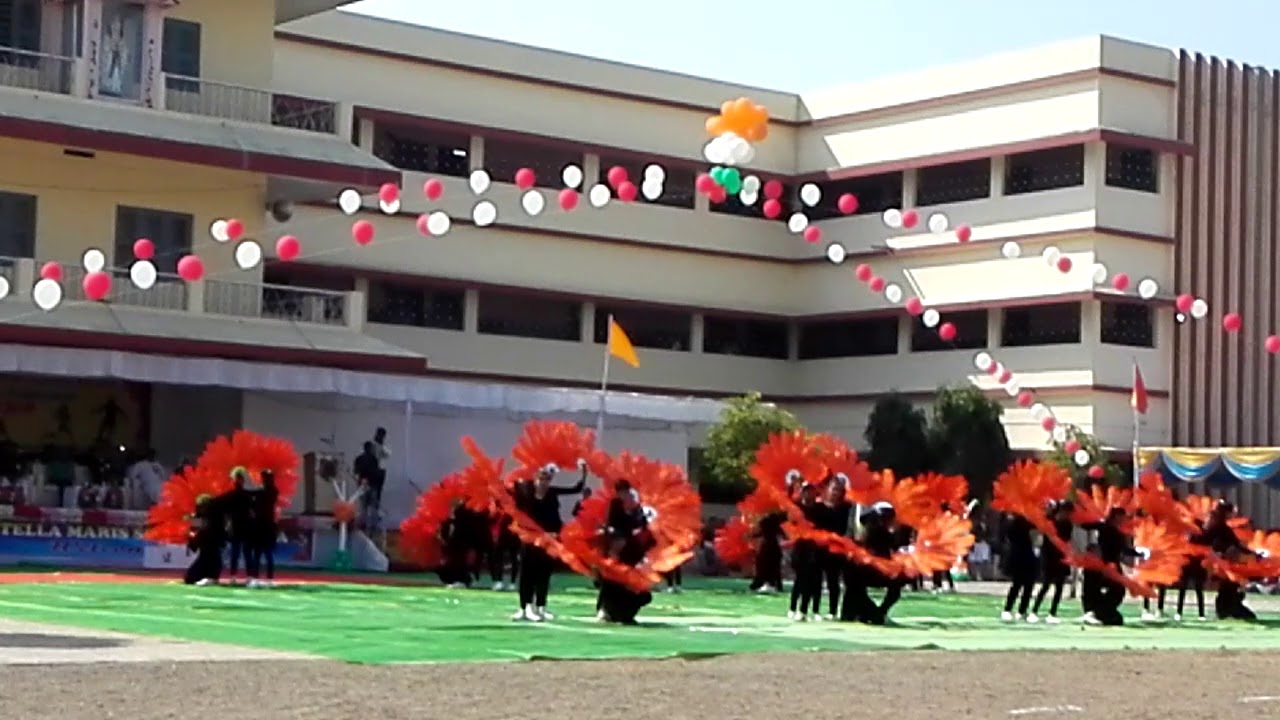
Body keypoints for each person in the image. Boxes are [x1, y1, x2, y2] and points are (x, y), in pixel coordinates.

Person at [512, 461, 587, 622]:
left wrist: (584, 472)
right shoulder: (526, 492)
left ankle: (541, 607)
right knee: (526, 575)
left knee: (543, 574)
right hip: (529, 540)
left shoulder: (552, 493)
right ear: (535, 478)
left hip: (549, 539)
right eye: (541, 478)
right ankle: (524, 607)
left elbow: (576, 488)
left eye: (547, 479)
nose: (544, 482)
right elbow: (509, 490)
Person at [597, 482, 656, 624]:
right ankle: (605, 610)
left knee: (633, 588)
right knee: (611, 581)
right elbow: (613, 525)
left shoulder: (637, 508)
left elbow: (643, 529)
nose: (625, 495)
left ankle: (625, 613)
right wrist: (615, 543)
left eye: (626, 492)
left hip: (630, 551)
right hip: (617, 547)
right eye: (622, 492)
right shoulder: (615, 505)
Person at [840, 502, 905, 625]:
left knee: (897, 583)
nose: (885, 521)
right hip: (862, 572)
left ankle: (876, 613)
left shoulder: (888, 535)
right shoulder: (869, 534)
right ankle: (871, 613)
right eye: (883, 518)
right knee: (854, 584)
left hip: (878, 571)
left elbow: (893, 552)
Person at [1082, 507, 1136, 626]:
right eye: (1122, 516)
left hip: (1111, 565)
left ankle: (1102, 610)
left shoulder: (1116, 531)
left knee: (1118, 590)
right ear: (1116, 516)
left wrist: (1139, 553)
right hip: (1101, 564)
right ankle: (1092, 612)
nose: (1124, 519)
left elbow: (1124, 549)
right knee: (1096, 587)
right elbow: (1085, 525)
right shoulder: (1104, 527)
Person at [1203, 502, 1257, 621]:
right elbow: (1221, 544)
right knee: (1231, 583)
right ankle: (1228, 607)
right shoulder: (1219, 528)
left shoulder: (1217, 527)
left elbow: (1234, 544)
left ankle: (1226, 607)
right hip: (1220, 562)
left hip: (1223, 561)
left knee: (1230, 585)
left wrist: (1249, 552)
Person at [1029, 500, 1073, 624]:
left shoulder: (1068, 524)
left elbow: (1066, 540)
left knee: (1059, 587)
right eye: (1065, 511)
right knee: (1046, 585)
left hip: (1061, 556)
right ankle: (1034, 611)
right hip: (1049, 556)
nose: (1067, 514)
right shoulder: (1050, 521)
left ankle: (1052, 613)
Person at [788, 483, 824, 621]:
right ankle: (792, 607)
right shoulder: (797, 507)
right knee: (799, 580)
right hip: (799, 546)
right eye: (806, 491)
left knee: (811, 581)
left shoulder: (819, 509)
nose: (809, 494)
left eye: (811, 491)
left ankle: (804, 610)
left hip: (813, 547)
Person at [818, 477, 852, 618]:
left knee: (834, 581)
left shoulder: (846, 508)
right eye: (833, 489)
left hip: (838, 548)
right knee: (815, 580)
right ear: (827, 490)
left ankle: (833, 610)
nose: (835, 492)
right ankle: (814, 609)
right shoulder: (819, 507)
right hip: (820, 547)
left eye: (838, 490)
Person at [1001, 514, 1038, 622]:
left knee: (1027, 584)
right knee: (1018, 584)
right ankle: (1008, 609)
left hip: (1026, 554)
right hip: (1019, 555)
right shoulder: (1015, 521)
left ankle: (1020, 610)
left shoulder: (1025, 520)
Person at [184, 495, 227, 586]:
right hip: (205, 544)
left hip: (212, 543)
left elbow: (218, 529)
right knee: (190, 577)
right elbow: (193, 530)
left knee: (212, 558)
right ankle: (208, 576)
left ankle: (211, 577)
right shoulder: (198, 516)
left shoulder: (215, 516)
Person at [224, 469, 257, 584]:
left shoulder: (234, 495)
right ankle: (244, 576)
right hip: (242, 527)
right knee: (240, 553)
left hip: (239, 526)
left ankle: (237, 576)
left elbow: (226, 510)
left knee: (239, 552)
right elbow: (253, 510)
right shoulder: (245, 495)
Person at [249, 469, 280, 588]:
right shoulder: (271, 491)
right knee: (265, 554)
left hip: (262, 526)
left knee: (260, 553)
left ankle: (259, 578)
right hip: (266, 526)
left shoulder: (268, 491)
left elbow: (256, 495)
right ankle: (267, 578)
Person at [1175, 520, 1208, 621]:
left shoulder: (1202, 537)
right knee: (1183, 589)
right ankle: (1179, 612)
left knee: (1198, 589)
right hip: (1188, 564)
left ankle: (1201, 614)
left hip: (1197, 564)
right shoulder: (1187, 536)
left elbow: (1204, 552)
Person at [437, 501, 474, 588]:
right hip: (450, 546)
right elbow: (443, 533)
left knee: (459, 562)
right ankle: (458, 580)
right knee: (450, 564)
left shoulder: (463, 518)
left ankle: (462, 580)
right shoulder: (447, 521)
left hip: (460, 544)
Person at [750, 511, 785, 594]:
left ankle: (761, 583)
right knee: (774, 568)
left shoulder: (765, 521)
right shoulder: (778, 524)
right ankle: (774, 585)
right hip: (774, 547)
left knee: (763, 566)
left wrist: (751, 535)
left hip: (766, 547)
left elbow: (760, 532)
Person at [488, 510, 520, 591]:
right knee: (499, 558)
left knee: (513, 558)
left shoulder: (515, 506)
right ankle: (499, 581)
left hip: (513, 534)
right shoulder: (502, 508)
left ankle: (512, 583)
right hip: (504, 534)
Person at [353, 441, 382, 531]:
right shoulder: (374, 459)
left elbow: (356, 472)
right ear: (370, 449)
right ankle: (373, 526)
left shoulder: (359, 459)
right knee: (373, 506)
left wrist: (360, 481)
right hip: (372, 485)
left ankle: (362, 525)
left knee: (363, 507)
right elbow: (376, 472)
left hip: (362, 485)